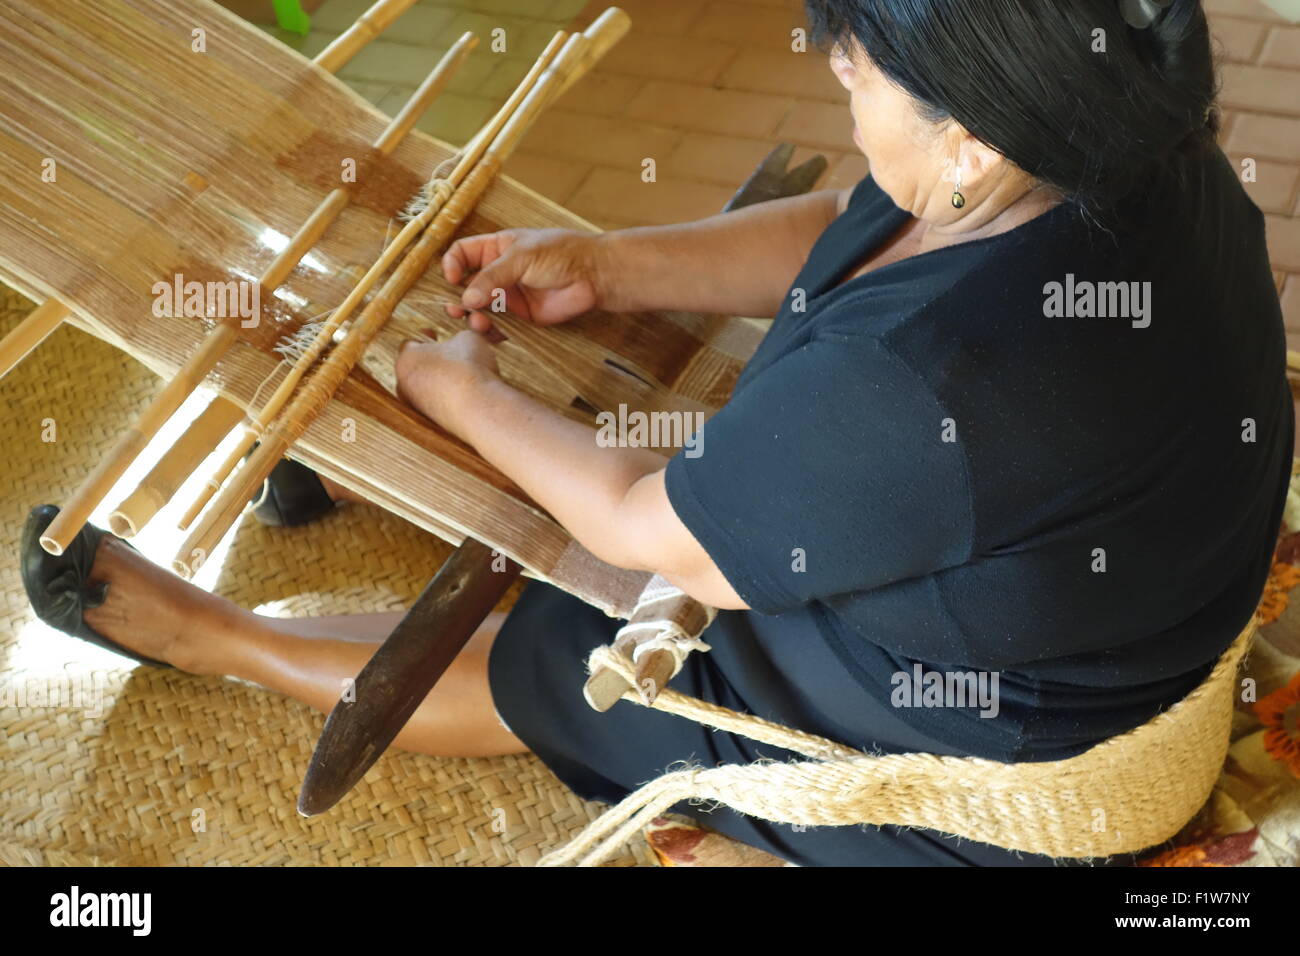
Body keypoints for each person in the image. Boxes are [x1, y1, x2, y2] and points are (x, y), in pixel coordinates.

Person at [21, 0, 1293, 866]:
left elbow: (645, 529)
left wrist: (453, 391)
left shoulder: (929, 388)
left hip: (998, 755)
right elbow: (853, 232)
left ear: (964, 133)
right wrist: (610, 265)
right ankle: (377, 481)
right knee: (628, 473)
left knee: (583, 644)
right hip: (1094, 587)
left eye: (852, 70)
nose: (836, 82)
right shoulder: (1121, 149)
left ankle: (215, 635)